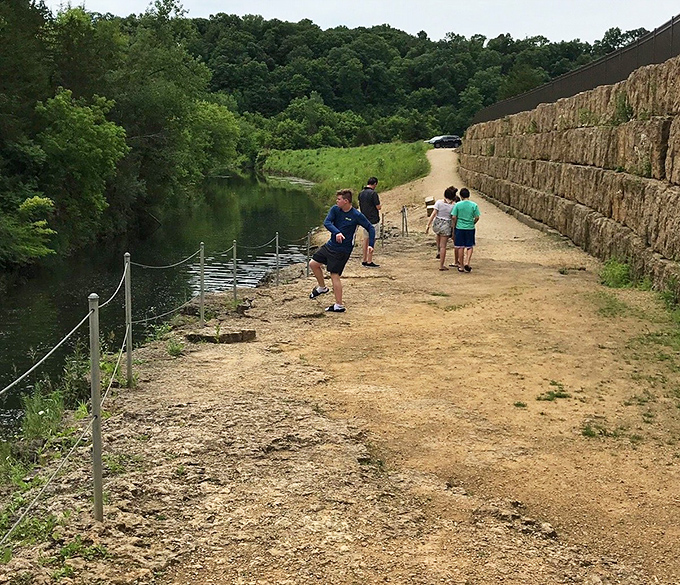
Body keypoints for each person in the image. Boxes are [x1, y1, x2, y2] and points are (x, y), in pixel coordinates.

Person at [309, 189, 375, 313]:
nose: (336, 201)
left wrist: (371, 245)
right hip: (330, 245)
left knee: (334, 274)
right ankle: (322, 287)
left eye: (339, 199)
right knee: (313, 263)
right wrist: (337, 232)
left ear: (346, 201)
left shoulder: (356, 215)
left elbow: (370, 228)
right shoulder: (335, 209)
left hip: (343, 250)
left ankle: (339, 305)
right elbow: (327, 222)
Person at [425, 186, 458, 270]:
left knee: (438, 235)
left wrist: (428, 225)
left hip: (437, 223)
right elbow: (453, 218)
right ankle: (441, 265)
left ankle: (438, 250)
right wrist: (453, 230)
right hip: (446, 225)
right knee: (444, 246)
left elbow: (433, 214)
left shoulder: (439, 202)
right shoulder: (454, 206)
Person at [451, 187, 480, 273]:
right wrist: (473, 223)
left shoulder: (457, 205)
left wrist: (455, 225)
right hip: (470, 227)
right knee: (469, 246)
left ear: (461, 196)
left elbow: (453, 216)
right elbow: (477, 217)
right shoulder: (474, 205)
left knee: (460, 246)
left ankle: (462, 265)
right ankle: (467, 261)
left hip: (460, 227)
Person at [358, 177, 381, 267]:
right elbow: (378, 207)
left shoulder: (361, 193)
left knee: (365, 239)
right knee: (372, 239)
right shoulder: (373, 194)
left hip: (364, 219)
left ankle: (364, 259)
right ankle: (369, 260)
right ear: (374, 184)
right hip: (373, 219)